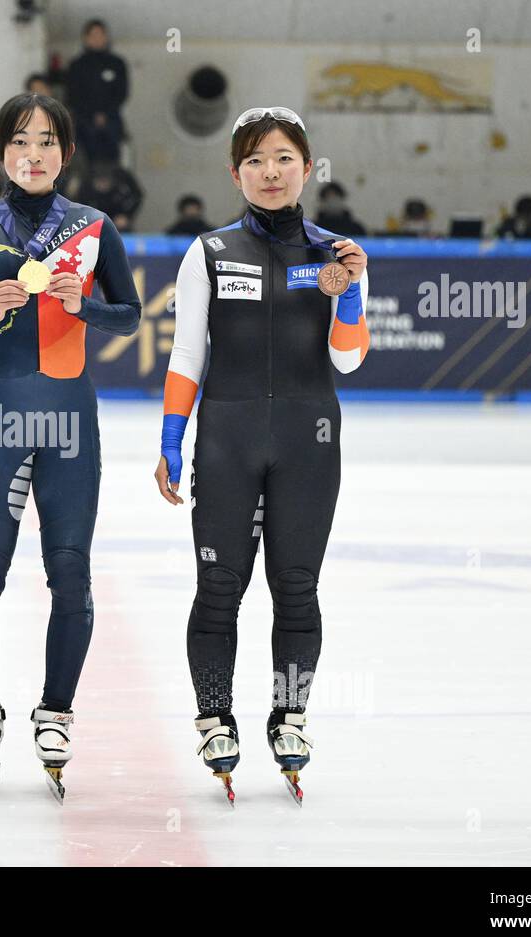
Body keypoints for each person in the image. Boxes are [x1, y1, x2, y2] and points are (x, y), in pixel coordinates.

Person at [0, 92, 141, 802]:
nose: (34, 154)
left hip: (71, 425)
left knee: (70, 576)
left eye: (48, 141)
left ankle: (56, 713)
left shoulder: (95, 227)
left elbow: (130, 316)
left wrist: (83, 306)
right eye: (21, 141)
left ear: (66, 154)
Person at [154, 107, 370, 806]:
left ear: (307, 167)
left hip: (310, 440)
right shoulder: (209, 252)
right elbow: (188, 353)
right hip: (226, 438)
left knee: (297, 589)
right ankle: (215, 715)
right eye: (254, 161)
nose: (269, 173)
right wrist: (169, 437)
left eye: (283, 159)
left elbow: (349, 357)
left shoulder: (334, 256)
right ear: (235, 172)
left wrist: (353, 294)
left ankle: (290, 715)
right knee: (220, 589)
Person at [65, 19, 128, 165]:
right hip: (85, 123)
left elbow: (122, 93)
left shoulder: (117, 63)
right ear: (85, 38)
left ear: (106, 37)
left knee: (113, 163)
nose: (97, 38)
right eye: (93, 35)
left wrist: (105, 113)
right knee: (87, 163)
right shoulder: (77, 65)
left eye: (100, 34)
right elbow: (73, 95)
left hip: (112, 121)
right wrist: (93, 114)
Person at [75, 160, 143, 231]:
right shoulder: (85, 189)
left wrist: (127, 216)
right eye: (100, 182)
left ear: (112, 181)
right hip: (94, 224)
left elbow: (138, 196)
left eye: (105, 182)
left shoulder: (122, 183)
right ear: (94, 181)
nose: (103, 186)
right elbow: (78, 207)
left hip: (118, 221)